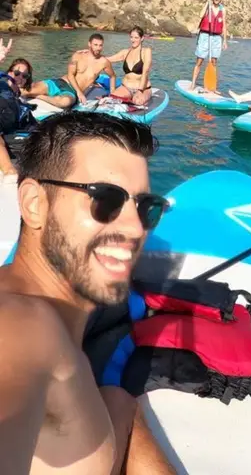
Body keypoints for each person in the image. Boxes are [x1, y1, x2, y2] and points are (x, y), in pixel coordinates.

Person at [0, 111, 176, 474]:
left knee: (119, 401)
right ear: (34, 204)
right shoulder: (21, 327)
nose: (135, 228)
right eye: (106, 200)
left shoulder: (50, 317)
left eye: (147, 207)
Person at [21, 33, 116, 108]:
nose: (98, 48)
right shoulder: (78, 56)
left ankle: (38, 96)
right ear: (89, 44)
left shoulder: (104, 62)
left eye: (100, 45)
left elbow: (112, 76)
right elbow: (70, 75)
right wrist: (80, 92)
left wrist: (112, 94)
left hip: (71, 91)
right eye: (95, 45)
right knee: (24, 91)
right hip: (61, 82)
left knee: (65, 102)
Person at [0, 57, 35, 183]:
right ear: (9, 73)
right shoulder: (2, 86)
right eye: (17, 73)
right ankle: (8, 170)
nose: (20, 77)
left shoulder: (18, 99)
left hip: (10, 131)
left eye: (25, 75)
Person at [190, 0, 228, 91]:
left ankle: (212, 87)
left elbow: (224, 26)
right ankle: (193, 84)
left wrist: (224, 40)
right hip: (205, 36)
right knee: (199, 61)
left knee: (214, 62)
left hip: (216, 38)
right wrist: (207, 2)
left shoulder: (223, 10)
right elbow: (201, 15)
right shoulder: (208, 7)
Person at [107, 26, 152, 106]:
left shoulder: (146, 52)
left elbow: (145, 72)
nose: (133, 40)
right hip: (126, 87)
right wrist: (91, 53)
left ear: (142, 38)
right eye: (131, 37)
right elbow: (108, 59)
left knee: (137, 101)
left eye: (136, 37)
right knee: (111, 99)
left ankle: (143, 100)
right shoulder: (125, 52)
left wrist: (140, 91)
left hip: (143, 89)